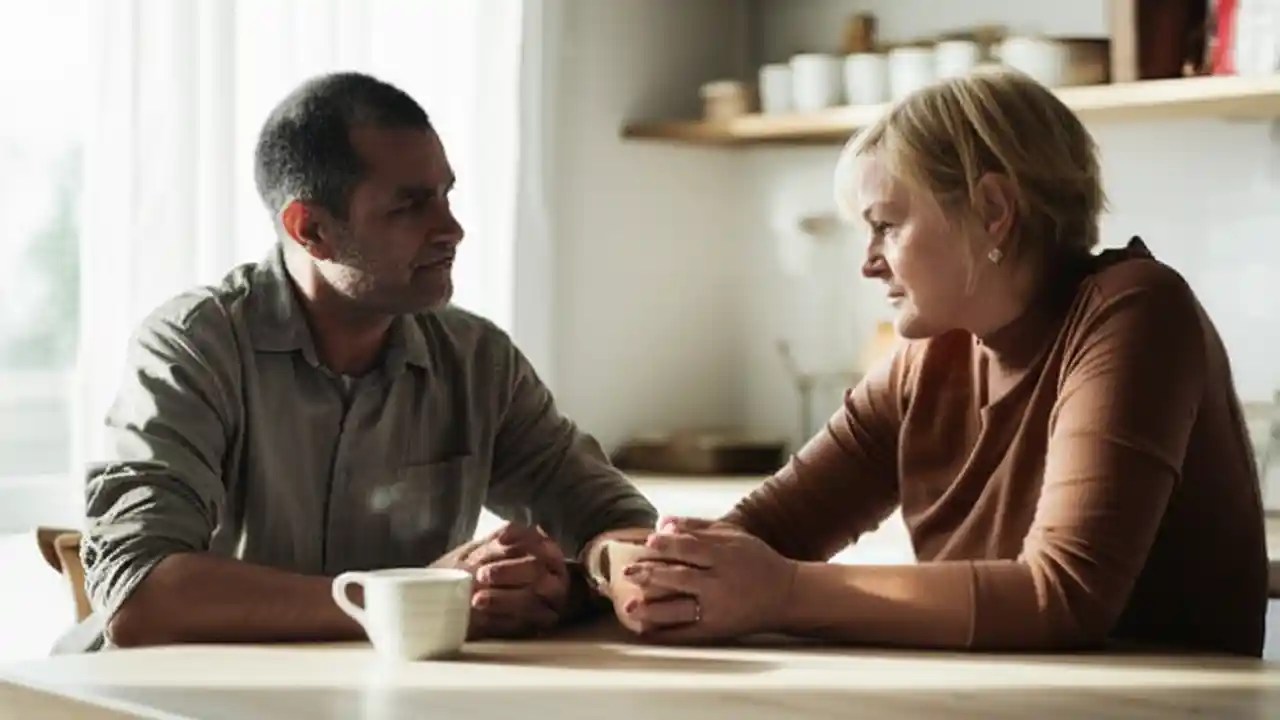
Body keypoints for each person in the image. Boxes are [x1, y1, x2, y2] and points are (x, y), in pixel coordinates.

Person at [613, 69, 1268, 656]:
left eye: (887, 225)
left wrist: (783, 592)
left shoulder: (1134, 311)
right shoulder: (927, 358)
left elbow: (1062, 596)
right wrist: (607, 571)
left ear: (992, 211)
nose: (868, 261)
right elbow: (760, 534)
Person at [79, 72, 656, 649]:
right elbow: (139, 595)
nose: (451, 229)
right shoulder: (193, 347)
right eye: (410, 205)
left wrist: (561, 583)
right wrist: (409, 599)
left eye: (445, 195)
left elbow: (619, 524)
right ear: (311, 230)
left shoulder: (478, 362)